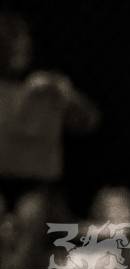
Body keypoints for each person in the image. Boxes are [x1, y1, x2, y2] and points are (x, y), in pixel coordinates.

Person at [0, 13, 99, 208]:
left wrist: (67, 95)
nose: (23, 45)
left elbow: (89, 121)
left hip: (39, 191)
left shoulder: (47, 90)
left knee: (34, 209)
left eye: (23, 38)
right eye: (13, 39)